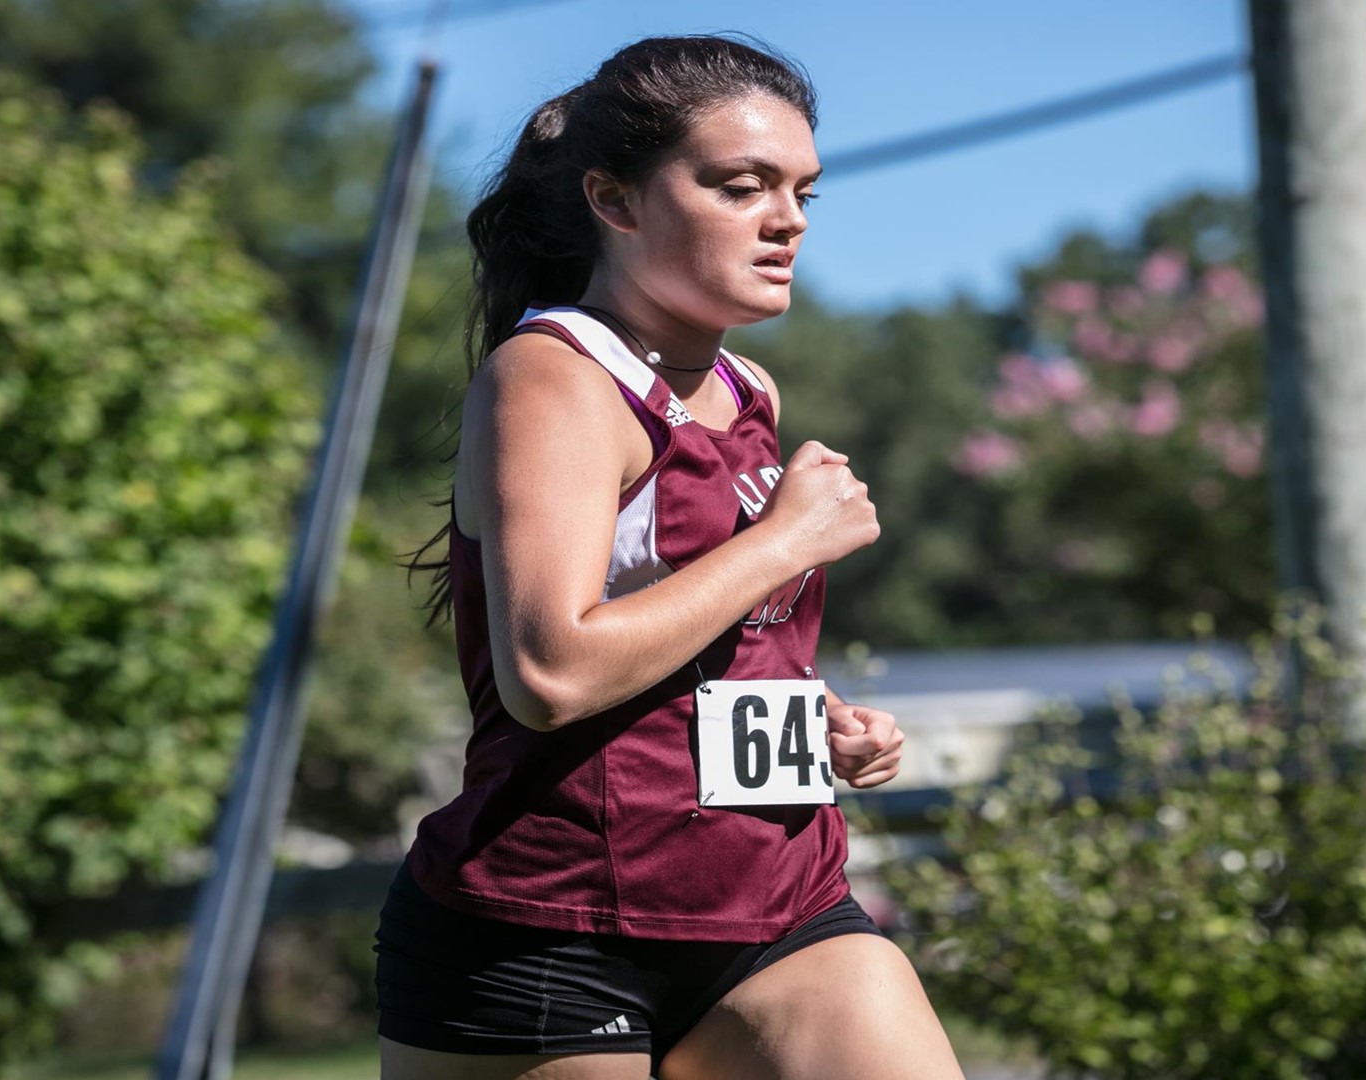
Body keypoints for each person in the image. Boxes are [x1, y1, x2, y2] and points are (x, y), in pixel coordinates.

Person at [376, 34, 966, 1080]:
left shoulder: (751, 392)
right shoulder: (549, 377)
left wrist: (811, 716)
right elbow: (551, 674)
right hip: (555, 931)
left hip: (781, 901)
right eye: (742, 187)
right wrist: (789, 539)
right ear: (616, 200)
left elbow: (707, 624)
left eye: (802, 192)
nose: (786, 221)